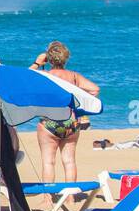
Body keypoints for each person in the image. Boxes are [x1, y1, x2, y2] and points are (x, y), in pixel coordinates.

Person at [29, 41, 100, 183]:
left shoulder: (44, 75)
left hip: (49, 123)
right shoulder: (74, 76)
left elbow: (23, 77)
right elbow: (95, 89)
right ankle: (70, 197)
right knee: (69, 162)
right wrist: (78, 100)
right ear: (65, 58)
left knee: (48, 162)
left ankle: (48, 198)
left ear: (49, 59)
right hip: (71, 122)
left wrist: (37, 63)